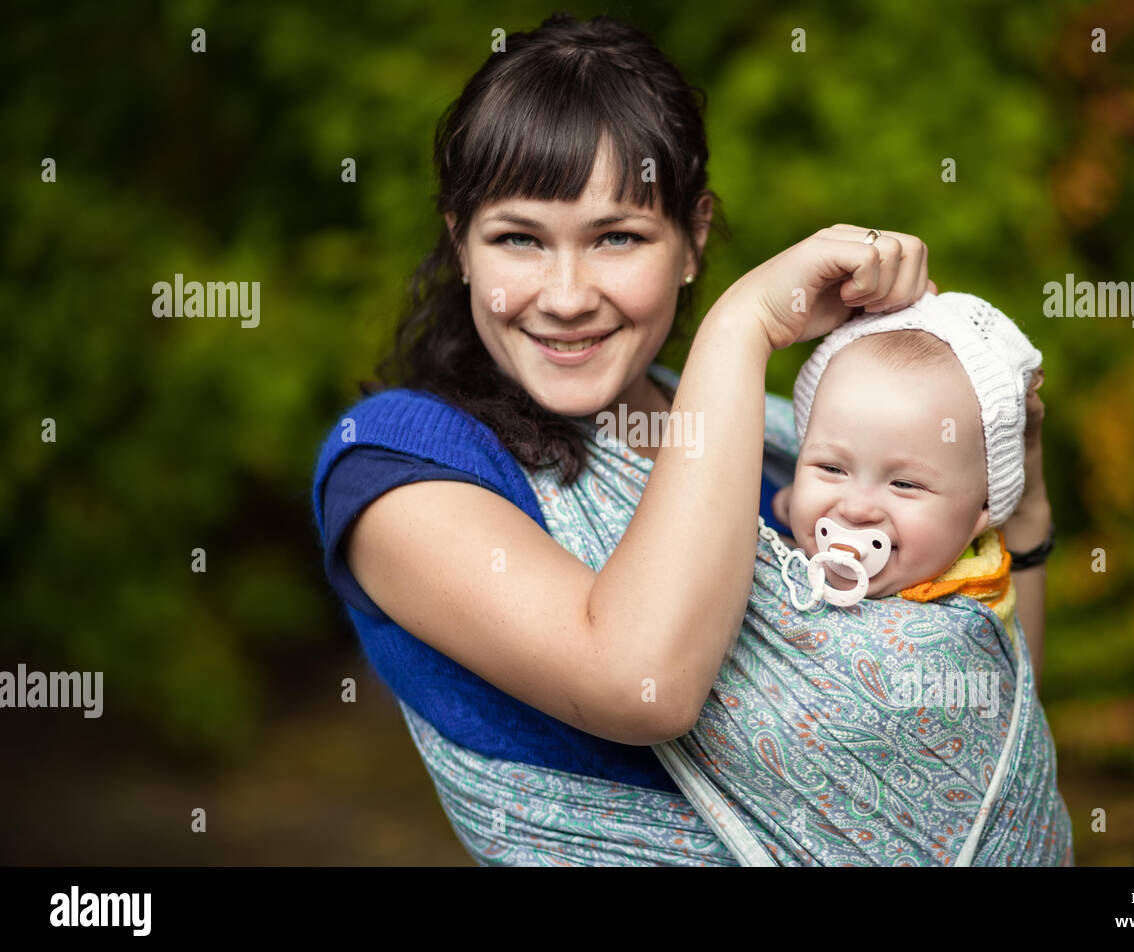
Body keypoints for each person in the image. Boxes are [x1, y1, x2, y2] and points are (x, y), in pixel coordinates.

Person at [311, 13, 1055, 865]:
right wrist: (742, 323)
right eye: (518, 238)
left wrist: (1020, 508)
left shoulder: (783, 440)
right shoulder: (400, 462)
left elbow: (986, 723)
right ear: (462, 244)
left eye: (616, 238)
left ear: (692, 238)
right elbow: (641, 682)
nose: (564, 294)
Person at [643, 292, 1072, 865]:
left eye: (906, 485)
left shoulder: (974, 596)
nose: (858, 507)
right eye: (831, 467)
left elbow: (1017, 706)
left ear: (979, 517)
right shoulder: (757, 566)